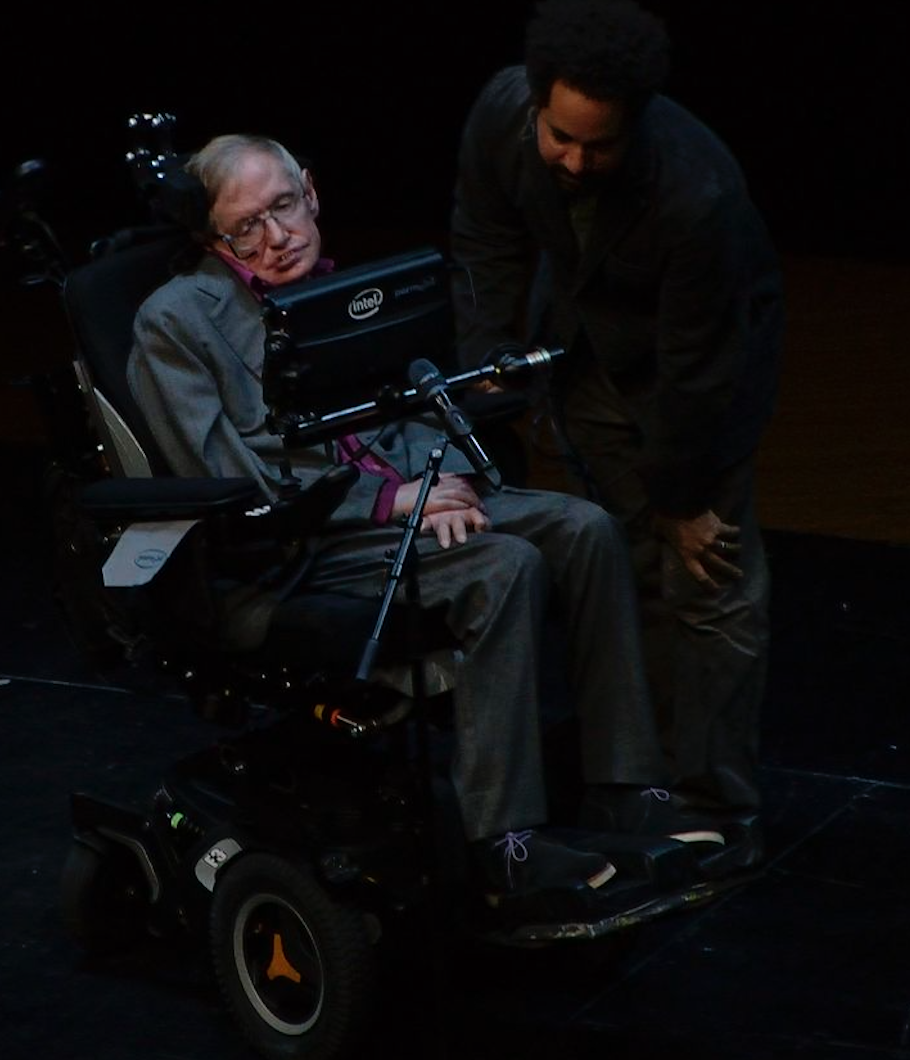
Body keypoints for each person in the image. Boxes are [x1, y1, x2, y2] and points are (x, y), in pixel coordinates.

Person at [127, 132, 733, 926]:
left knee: (584, 528)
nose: (277, 237)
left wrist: (450, 484)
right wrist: (395, 502)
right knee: (503, 567)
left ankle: (622, 786)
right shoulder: (175, 322)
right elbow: (230, 476)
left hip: (406, 496)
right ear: (214, 239)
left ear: (311, 190)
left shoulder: (343, 292)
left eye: (284, 206)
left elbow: (415, 403)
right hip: (300, 548)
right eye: (246, 227)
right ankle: (505, 846)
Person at [449, 0, 784, 863]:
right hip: (587, 342)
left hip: (702, 369)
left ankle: (719, 805)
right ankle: (643, 778)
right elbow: (484, 237)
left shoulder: (697, 192)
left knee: (706, 576)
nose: (573, 160)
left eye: (598, 147)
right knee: (627, 557)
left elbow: (697, 373)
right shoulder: (502, 115)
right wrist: (491, 358)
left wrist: (683, 500)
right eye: (560, 137)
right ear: (535, 102)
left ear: (635, 122)